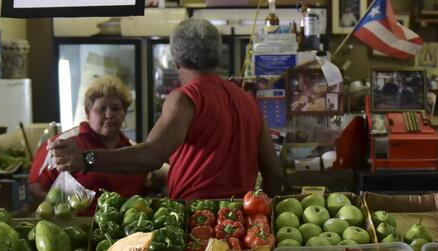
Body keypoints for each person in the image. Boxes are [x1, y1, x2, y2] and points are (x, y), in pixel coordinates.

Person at [48, 18, 284, 200]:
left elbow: (152, 155)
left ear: (176, 59)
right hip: (239, 222)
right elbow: (274, 174)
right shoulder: (247, 101)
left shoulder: (186, 97)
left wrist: (86, 159)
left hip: (196, 221)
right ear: (217, 55)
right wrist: (260, 215)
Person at [29, 76, 146, 206]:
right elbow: (36, 187)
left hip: (127, 224)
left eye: (116, 108)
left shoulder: (130, 149)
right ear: (87, 111)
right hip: (77, 224)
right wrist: (59, 213)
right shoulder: (64, 144)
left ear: (124, 113)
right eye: (101, 109)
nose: (109, 115)